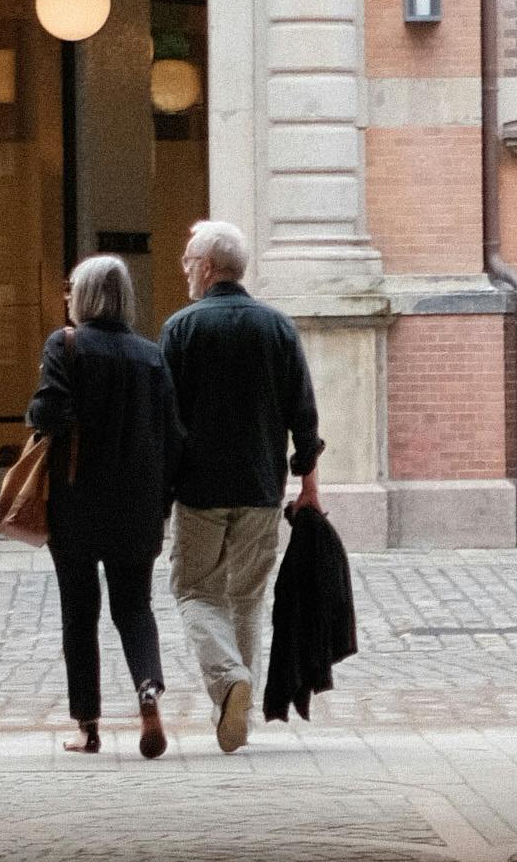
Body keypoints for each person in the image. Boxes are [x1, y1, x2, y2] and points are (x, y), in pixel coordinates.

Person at [157, 216, 320, 753]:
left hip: (198, 489)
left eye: (187, 262)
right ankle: (238, 710)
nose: (185, 270)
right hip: (260, 487)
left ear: (205, 268)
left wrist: (159, 490)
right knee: (248, 597)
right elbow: (304, 415)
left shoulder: (182, 328)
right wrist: (308, 486)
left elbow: (165, 420)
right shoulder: (277, 327)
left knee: (195, 592)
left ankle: (230, 680)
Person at [26, 250, 173, 756]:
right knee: (135, 607)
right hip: (137, 506)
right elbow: (170, 436)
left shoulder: (64, 345)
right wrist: (163, 503)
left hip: (76, 502)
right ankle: (148, 688)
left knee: (79, 611)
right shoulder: (152, 355)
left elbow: (48, 413)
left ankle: (87, 726)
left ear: (83, 297)